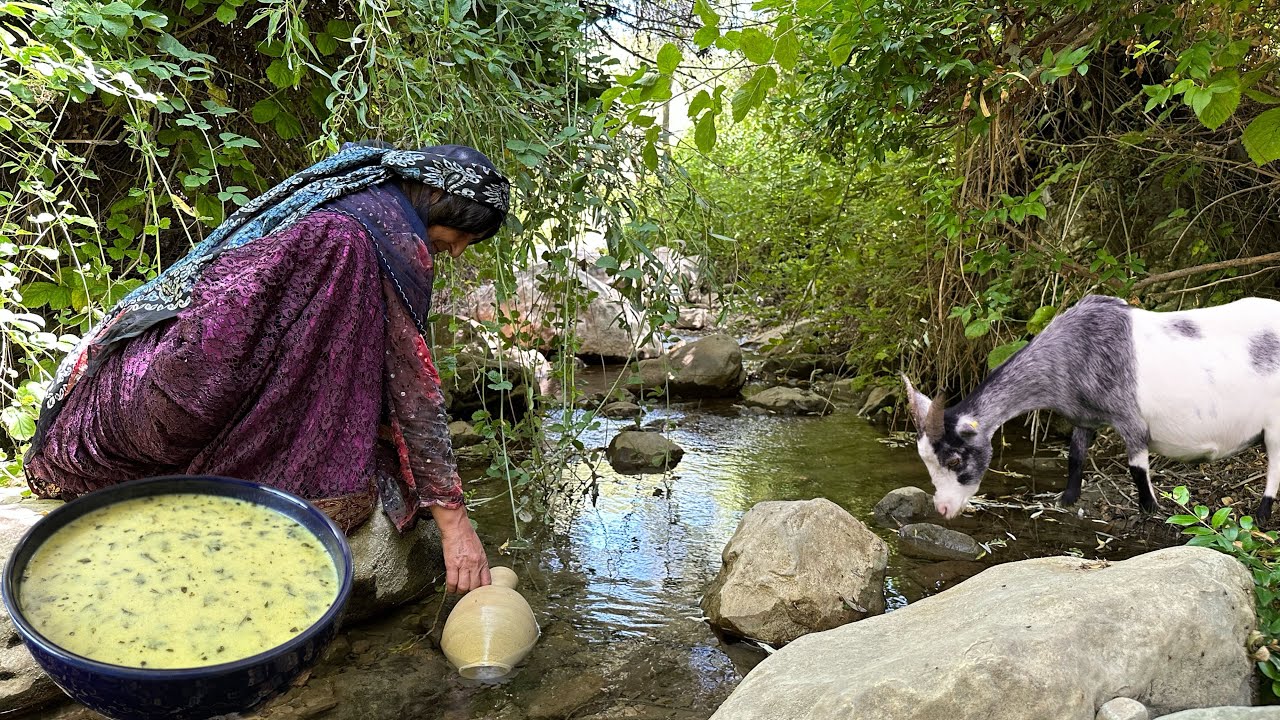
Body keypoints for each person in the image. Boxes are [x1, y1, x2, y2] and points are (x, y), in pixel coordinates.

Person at [23, 142, 506, 594]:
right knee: (333, 481)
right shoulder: (386, 235)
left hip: (147, 367)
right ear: (439, 199)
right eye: (462, 234)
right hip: (185, 393)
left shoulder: (354, 195)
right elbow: (413, 385)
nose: (459, 250)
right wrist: (454, 521)